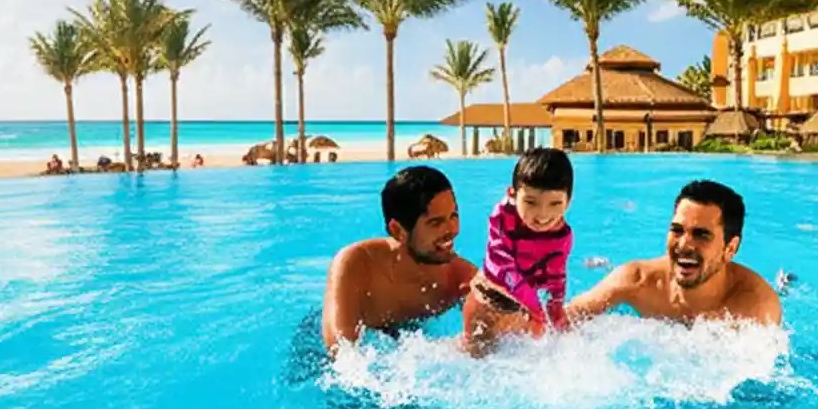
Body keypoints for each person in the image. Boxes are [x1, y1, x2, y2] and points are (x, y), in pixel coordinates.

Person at [567, 179, 781, 326]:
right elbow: (566, 318)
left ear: (730, 249)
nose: (684, 245)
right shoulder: (636, 281)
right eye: (677, 230)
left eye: (701, 235)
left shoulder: (755, 308)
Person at [321, 165, 476, 351]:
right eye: (436, 223)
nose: (452, 230)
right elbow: (340, 351)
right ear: (397, 230)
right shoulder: (356, 264)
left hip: (406, 337)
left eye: (453, 216)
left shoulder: (460, 279)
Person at [461, 147, 574, 356]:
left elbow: (556, 274)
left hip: (523, 309)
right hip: (488, 300)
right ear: (512, 194)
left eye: (555, 203)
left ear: (569, 201)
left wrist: (556, 308)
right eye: (530, 202)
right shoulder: (502, 217)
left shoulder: (562, 236)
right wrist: (535, 307)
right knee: (473, 358)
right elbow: (501, 266)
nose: (542, 215)